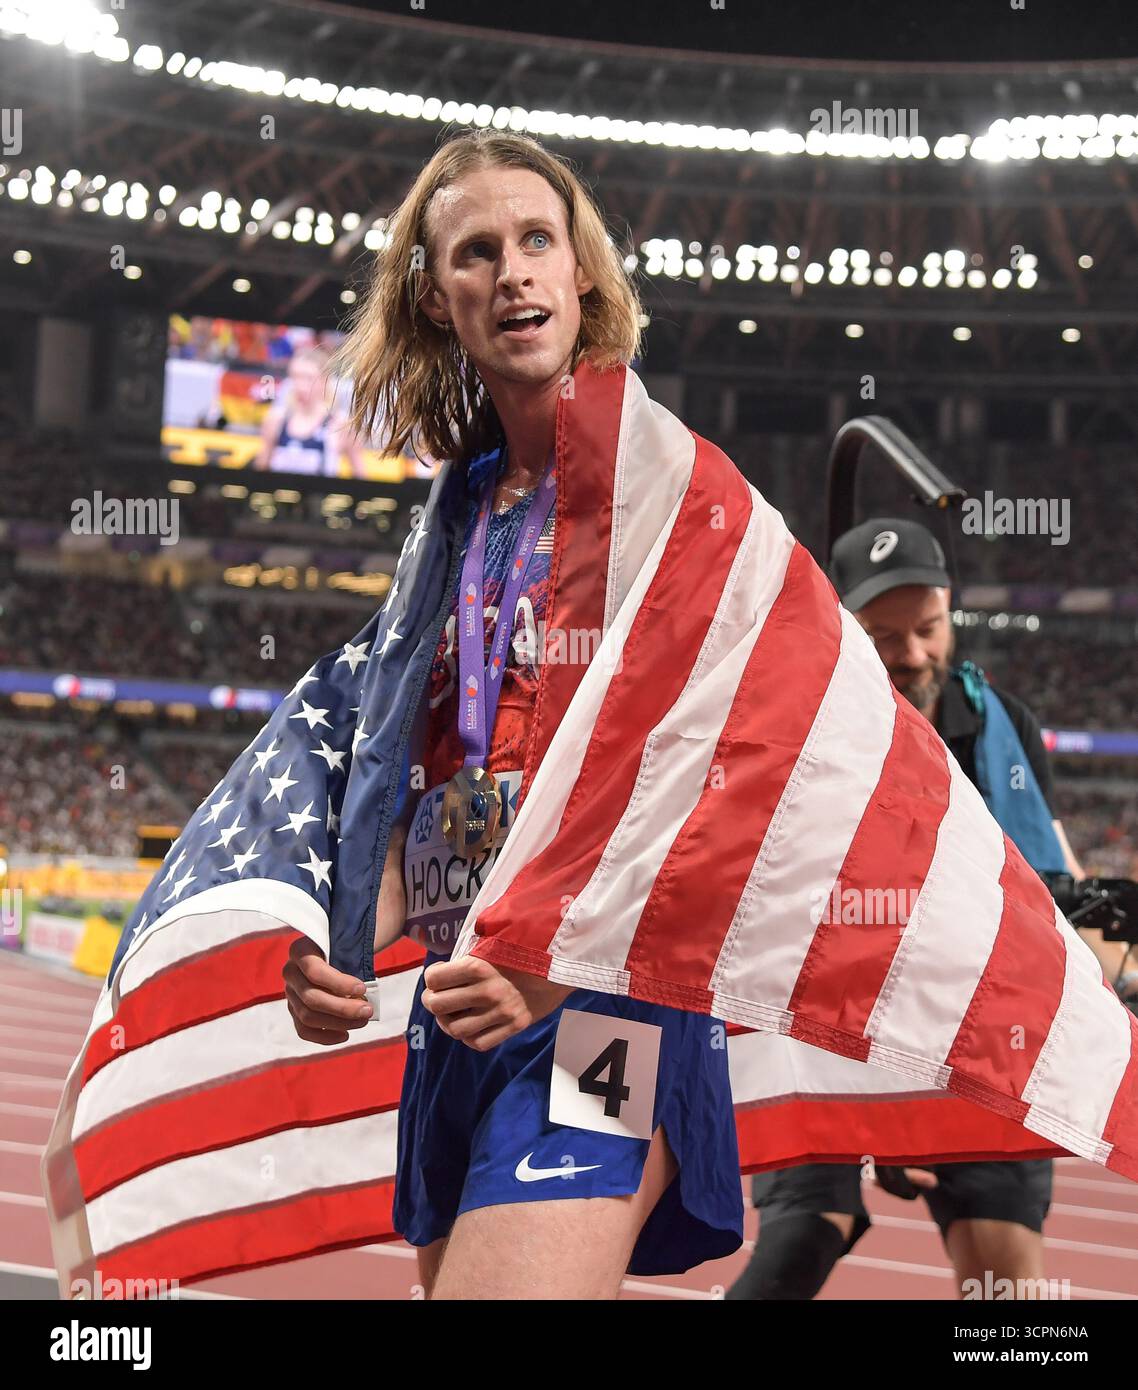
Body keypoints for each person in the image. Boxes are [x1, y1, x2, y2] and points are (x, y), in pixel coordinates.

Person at [280, 131, 743, 1299]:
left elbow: (737, 772)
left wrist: (557, 971)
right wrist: (337, 946)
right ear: (439, 301)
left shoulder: (671, 492)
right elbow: (415, 788)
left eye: (538, 239)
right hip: (453, 1005)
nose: (514, 272)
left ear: (580, 271)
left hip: (603, 1012)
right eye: (477, 253)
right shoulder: (449, 524)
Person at [727, 515, 1095, 1302]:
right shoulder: (796, 724)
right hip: (826, 1024)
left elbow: (1054, 875)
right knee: (797, 1243)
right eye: (884, 635)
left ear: (951, 610)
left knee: (1007, 1290)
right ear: (839, 626)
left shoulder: (1004, 726)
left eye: (928, 628)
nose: (915, 654)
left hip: (978, 1026)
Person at [254, 344, 366, 476]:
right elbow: (261, 469)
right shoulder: (276, 421)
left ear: (324, 380)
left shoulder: (340, 424)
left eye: (308, 378)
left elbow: (360, 473)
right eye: (295, 377)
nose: (301, 386)